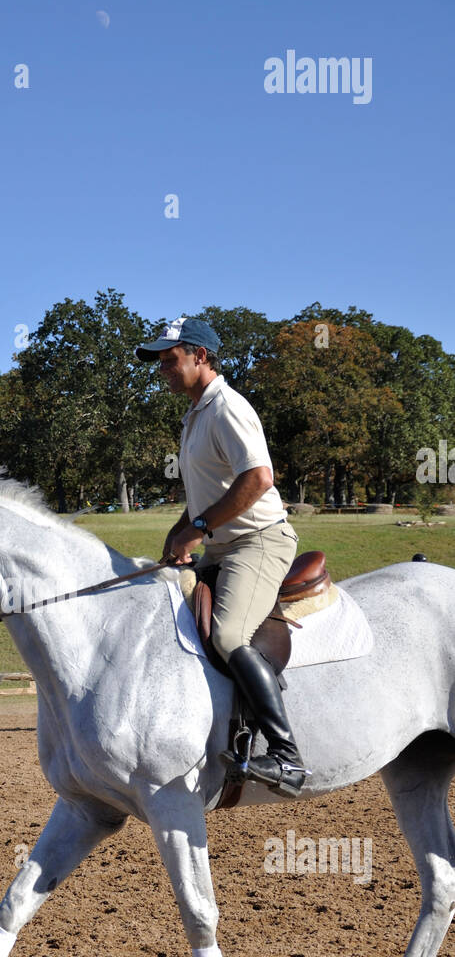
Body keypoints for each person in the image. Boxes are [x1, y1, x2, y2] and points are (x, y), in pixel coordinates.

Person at [135, 316, 309, 794]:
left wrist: (197, 529)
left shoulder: (226, 407)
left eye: (170, 360)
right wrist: (179, 534)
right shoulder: (195, 415)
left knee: (229, 634)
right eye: (160, 363)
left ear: (200, 356)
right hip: (221, 544)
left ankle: (286, 756)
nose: (163, 370)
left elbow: (258, 479)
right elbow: (205, 496)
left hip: (259, 542)